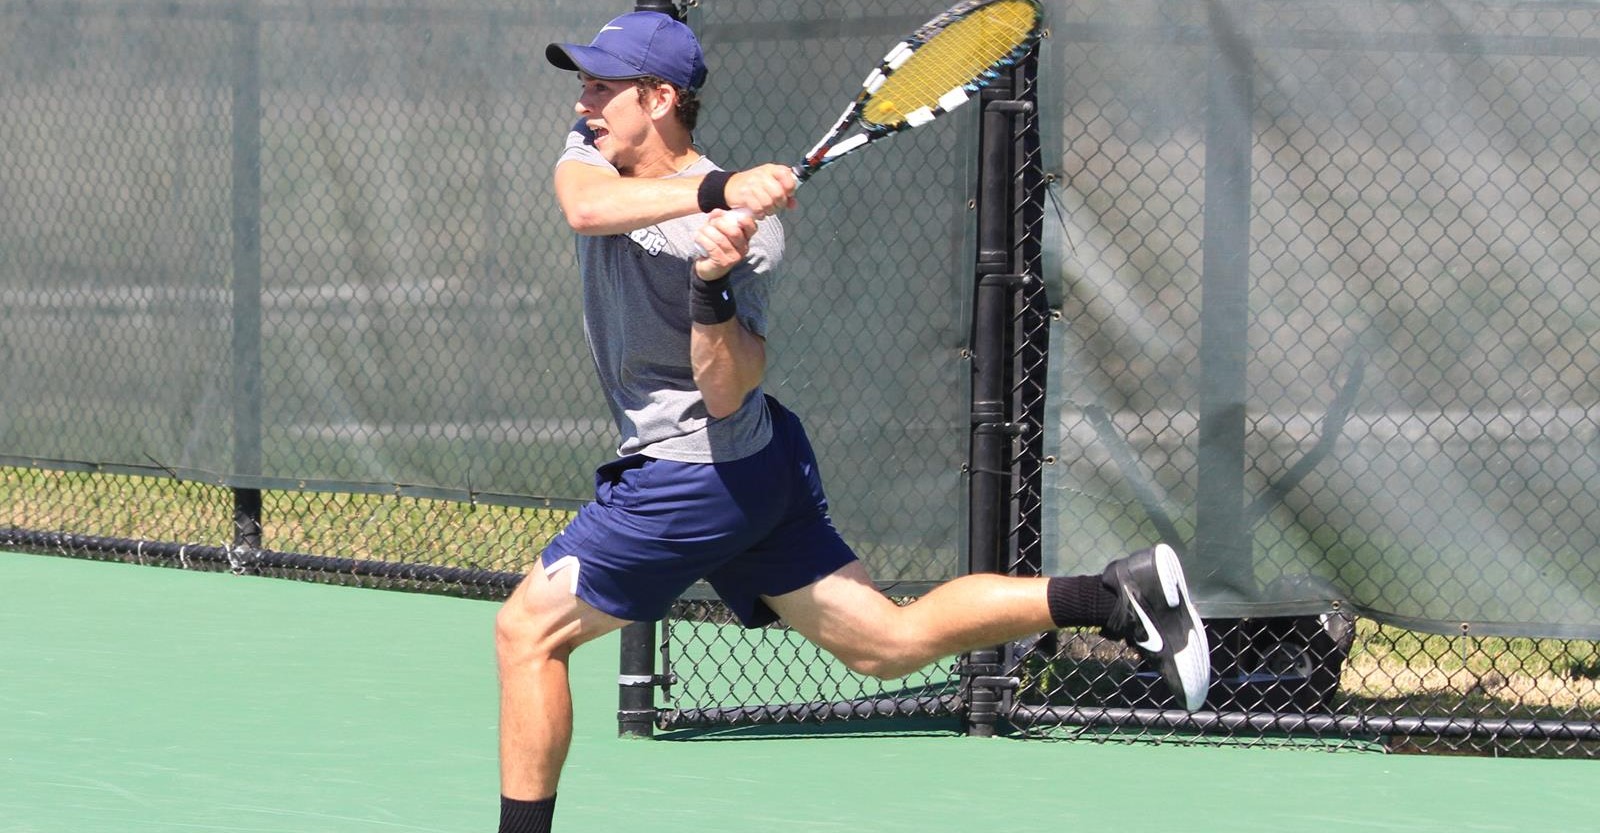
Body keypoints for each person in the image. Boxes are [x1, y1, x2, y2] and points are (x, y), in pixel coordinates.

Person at [494, 11, 1210, 833]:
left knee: (527, 633)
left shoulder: (750, 243)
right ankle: (1115, 595)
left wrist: (711, 286)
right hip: (753, 462)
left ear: (658, 99)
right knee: (886, 644)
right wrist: (721, 191)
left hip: (696, 471)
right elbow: (584, 208)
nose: (582, 103)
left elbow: (726, 388)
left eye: (600, 85)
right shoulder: (597, 153)